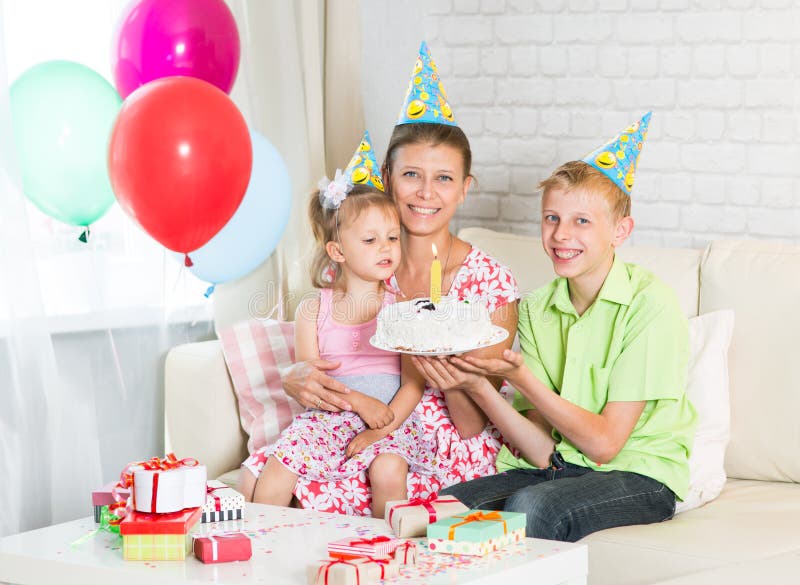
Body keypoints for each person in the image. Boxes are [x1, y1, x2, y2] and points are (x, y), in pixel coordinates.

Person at [273, 42, 520, 516]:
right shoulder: (355, 269)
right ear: (386, 177)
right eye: (411, 174)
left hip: (440, 454)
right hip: (348, 430)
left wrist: (438, 363)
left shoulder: (490, 283)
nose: (426, 192)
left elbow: (471, 423)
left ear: (466, 187)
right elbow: (323, 349)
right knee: (267, 477)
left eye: (444, 178)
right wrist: (294, 374)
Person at [429, 113, 698, 542]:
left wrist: (521, 378)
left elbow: (606, 445)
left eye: (582, 221)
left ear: (621, 230)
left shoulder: (650, 304)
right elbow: (539, 448)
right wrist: (479, 385)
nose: (561, 235)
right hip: (560, 466)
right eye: (551, 218)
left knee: (532, 507)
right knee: (442, 508)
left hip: (639, 473)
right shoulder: (537, 308)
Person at [240, 132, 426, 519]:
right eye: (371, 240)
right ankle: (256, 545)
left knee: (389, 468)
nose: (387, 248)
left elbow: (413, 384)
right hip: (330, 416)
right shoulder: (313, 311)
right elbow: (313, 383)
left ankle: (384, 555)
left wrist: (378, 430)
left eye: (393, 237)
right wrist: (359, 403)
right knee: (277, 471)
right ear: (338, 251)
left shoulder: (402, 306)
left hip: (388, 419)